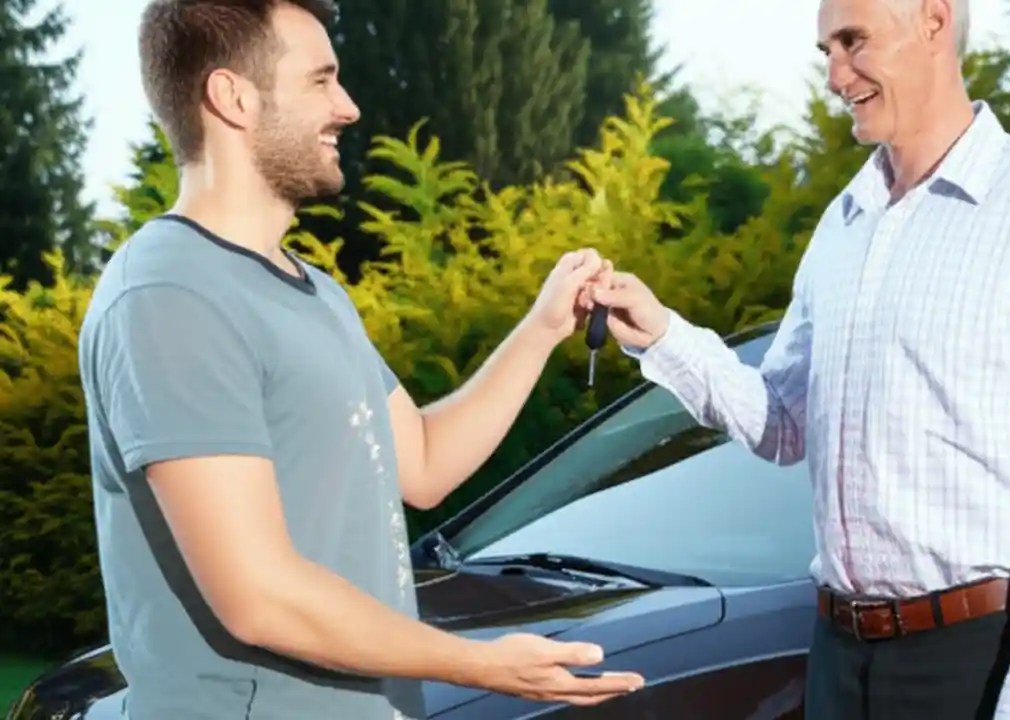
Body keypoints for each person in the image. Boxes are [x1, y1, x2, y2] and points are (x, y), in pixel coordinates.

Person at [76, 1, 640, 718]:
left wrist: (541, 328)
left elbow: (425, 462)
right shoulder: (170, 294)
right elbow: (260, 597)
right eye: (321, 81)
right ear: (233, 97)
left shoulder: (315, 293)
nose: (348, 107)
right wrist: (480, 664)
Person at [587, 0, 1010, 718]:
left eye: (853, 42)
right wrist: (662, 334)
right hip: (841, 663)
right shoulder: (843, 225)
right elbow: (784, 423)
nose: (835, 75)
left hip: (983, 666)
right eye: (826, 52)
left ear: (934, 21)